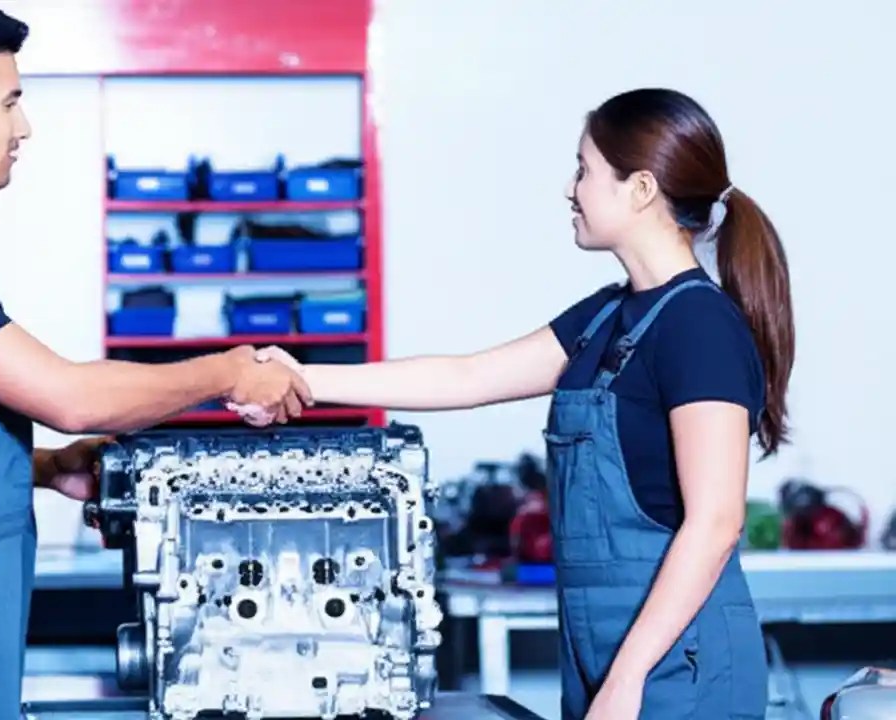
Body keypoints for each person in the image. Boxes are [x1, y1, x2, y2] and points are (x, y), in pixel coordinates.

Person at [0, 1, 310, 718]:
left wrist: (45, 467)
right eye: (10, 102)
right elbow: (69, 395)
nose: (23, 126)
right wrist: (228, 371)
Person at [249, 88, 792, 719]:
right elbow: (466, 377)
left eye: (585, 170)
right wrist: (302, 378)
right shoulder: (606, 318)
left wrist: (628, 676)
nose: (571, 188)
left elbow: (717, 522)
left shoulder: (700, 327)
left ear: (640, 189)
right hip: (602, 649)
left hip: (679, 662)